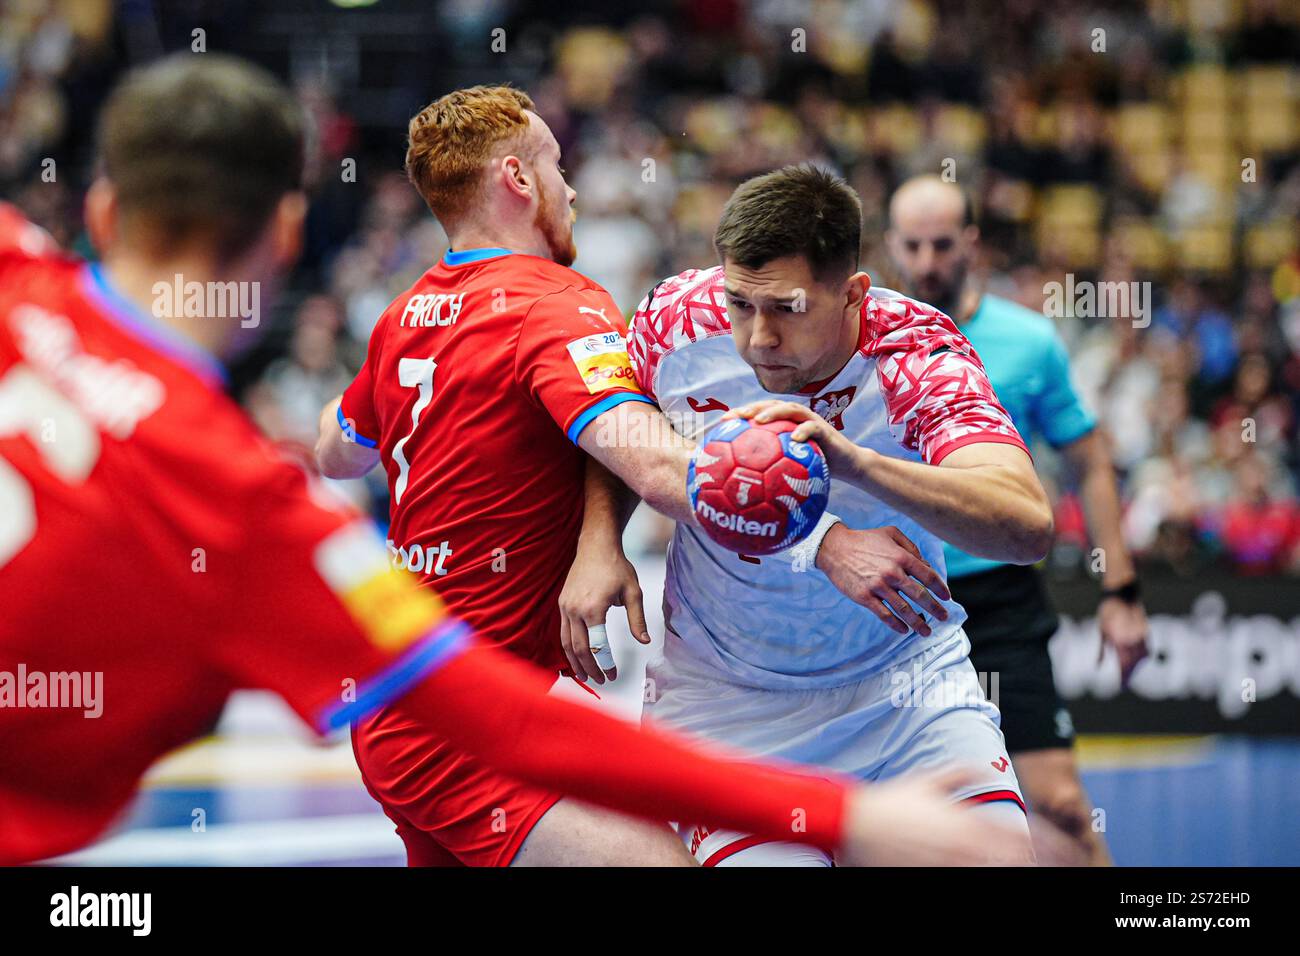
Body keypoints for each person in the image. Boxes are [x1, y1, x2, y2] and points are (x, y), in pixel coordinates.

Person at [0, 55, 1014, 869]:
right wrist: (818, 525)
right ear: (286, 228)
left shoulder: (399, 319)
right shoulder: (553, 305)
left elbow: (337, 448)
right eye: (561, 167)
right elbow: (658, 468)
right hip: (460, 719)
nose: (572, 186)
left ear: (97, 213)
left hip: (397, 737)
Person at [571, 163, 1055, 866]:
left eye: (788, 309)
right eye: (742, 304)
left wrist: (855, 463)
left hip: (905, 691)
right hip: (727, 700)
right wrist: (598, 539)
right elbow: (614, 420)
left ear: (854, 292)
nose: (758, 337)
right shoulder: (677, 318)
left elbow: (1025, 526)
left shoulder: (918, 353)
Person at [886, 174, 1151, 864]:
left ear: (971, 243)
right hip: (896, 603)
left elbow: (1090, 463)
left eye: (942, 244)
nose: (926, 263)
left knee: (1062, 809)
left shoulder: (1031, 342)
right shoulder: (863, 344)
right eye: (911, 246)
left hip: (1002, 604)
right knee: (900, 824)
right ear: (891, 245)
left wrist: (1121, 593)